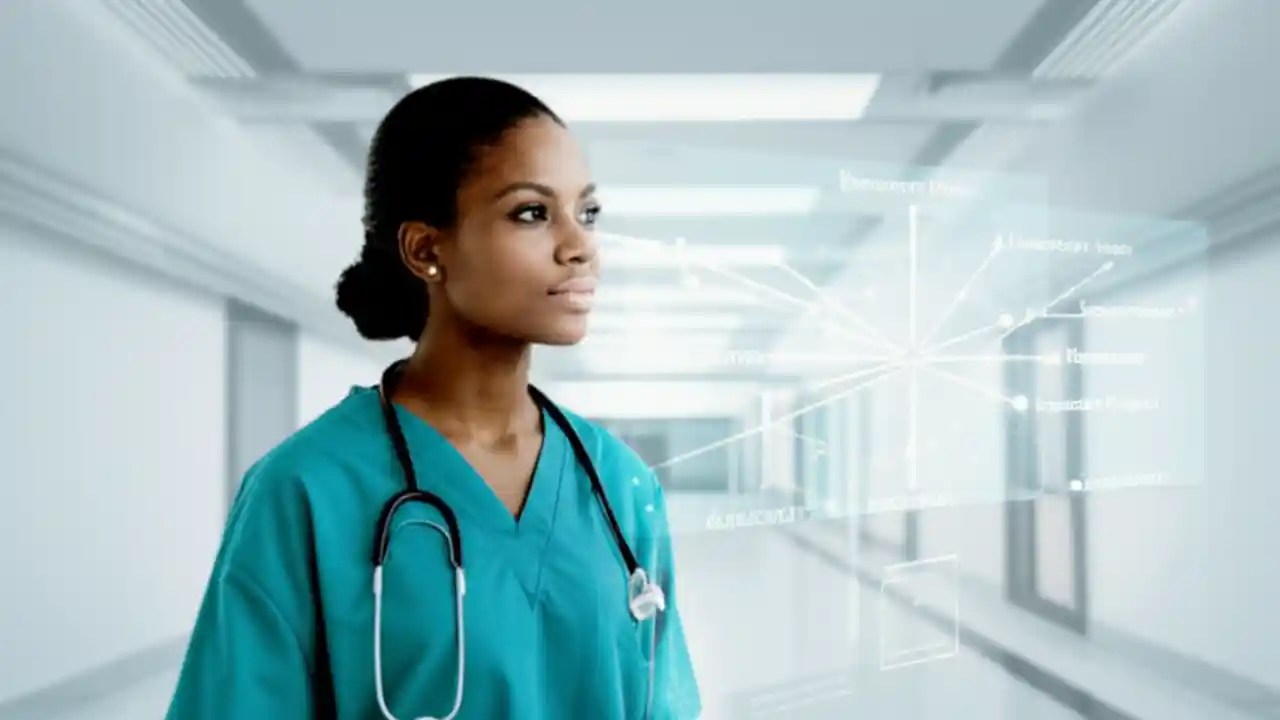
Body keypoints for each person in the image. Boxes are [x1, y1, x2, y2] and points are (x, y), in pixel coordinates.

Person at [165, 76, 701, 719]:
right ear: (425, 249)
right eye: (532, 212)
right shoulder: (306, 488)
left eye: (586, 213)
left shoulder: (620, 485)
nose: (579, 246)